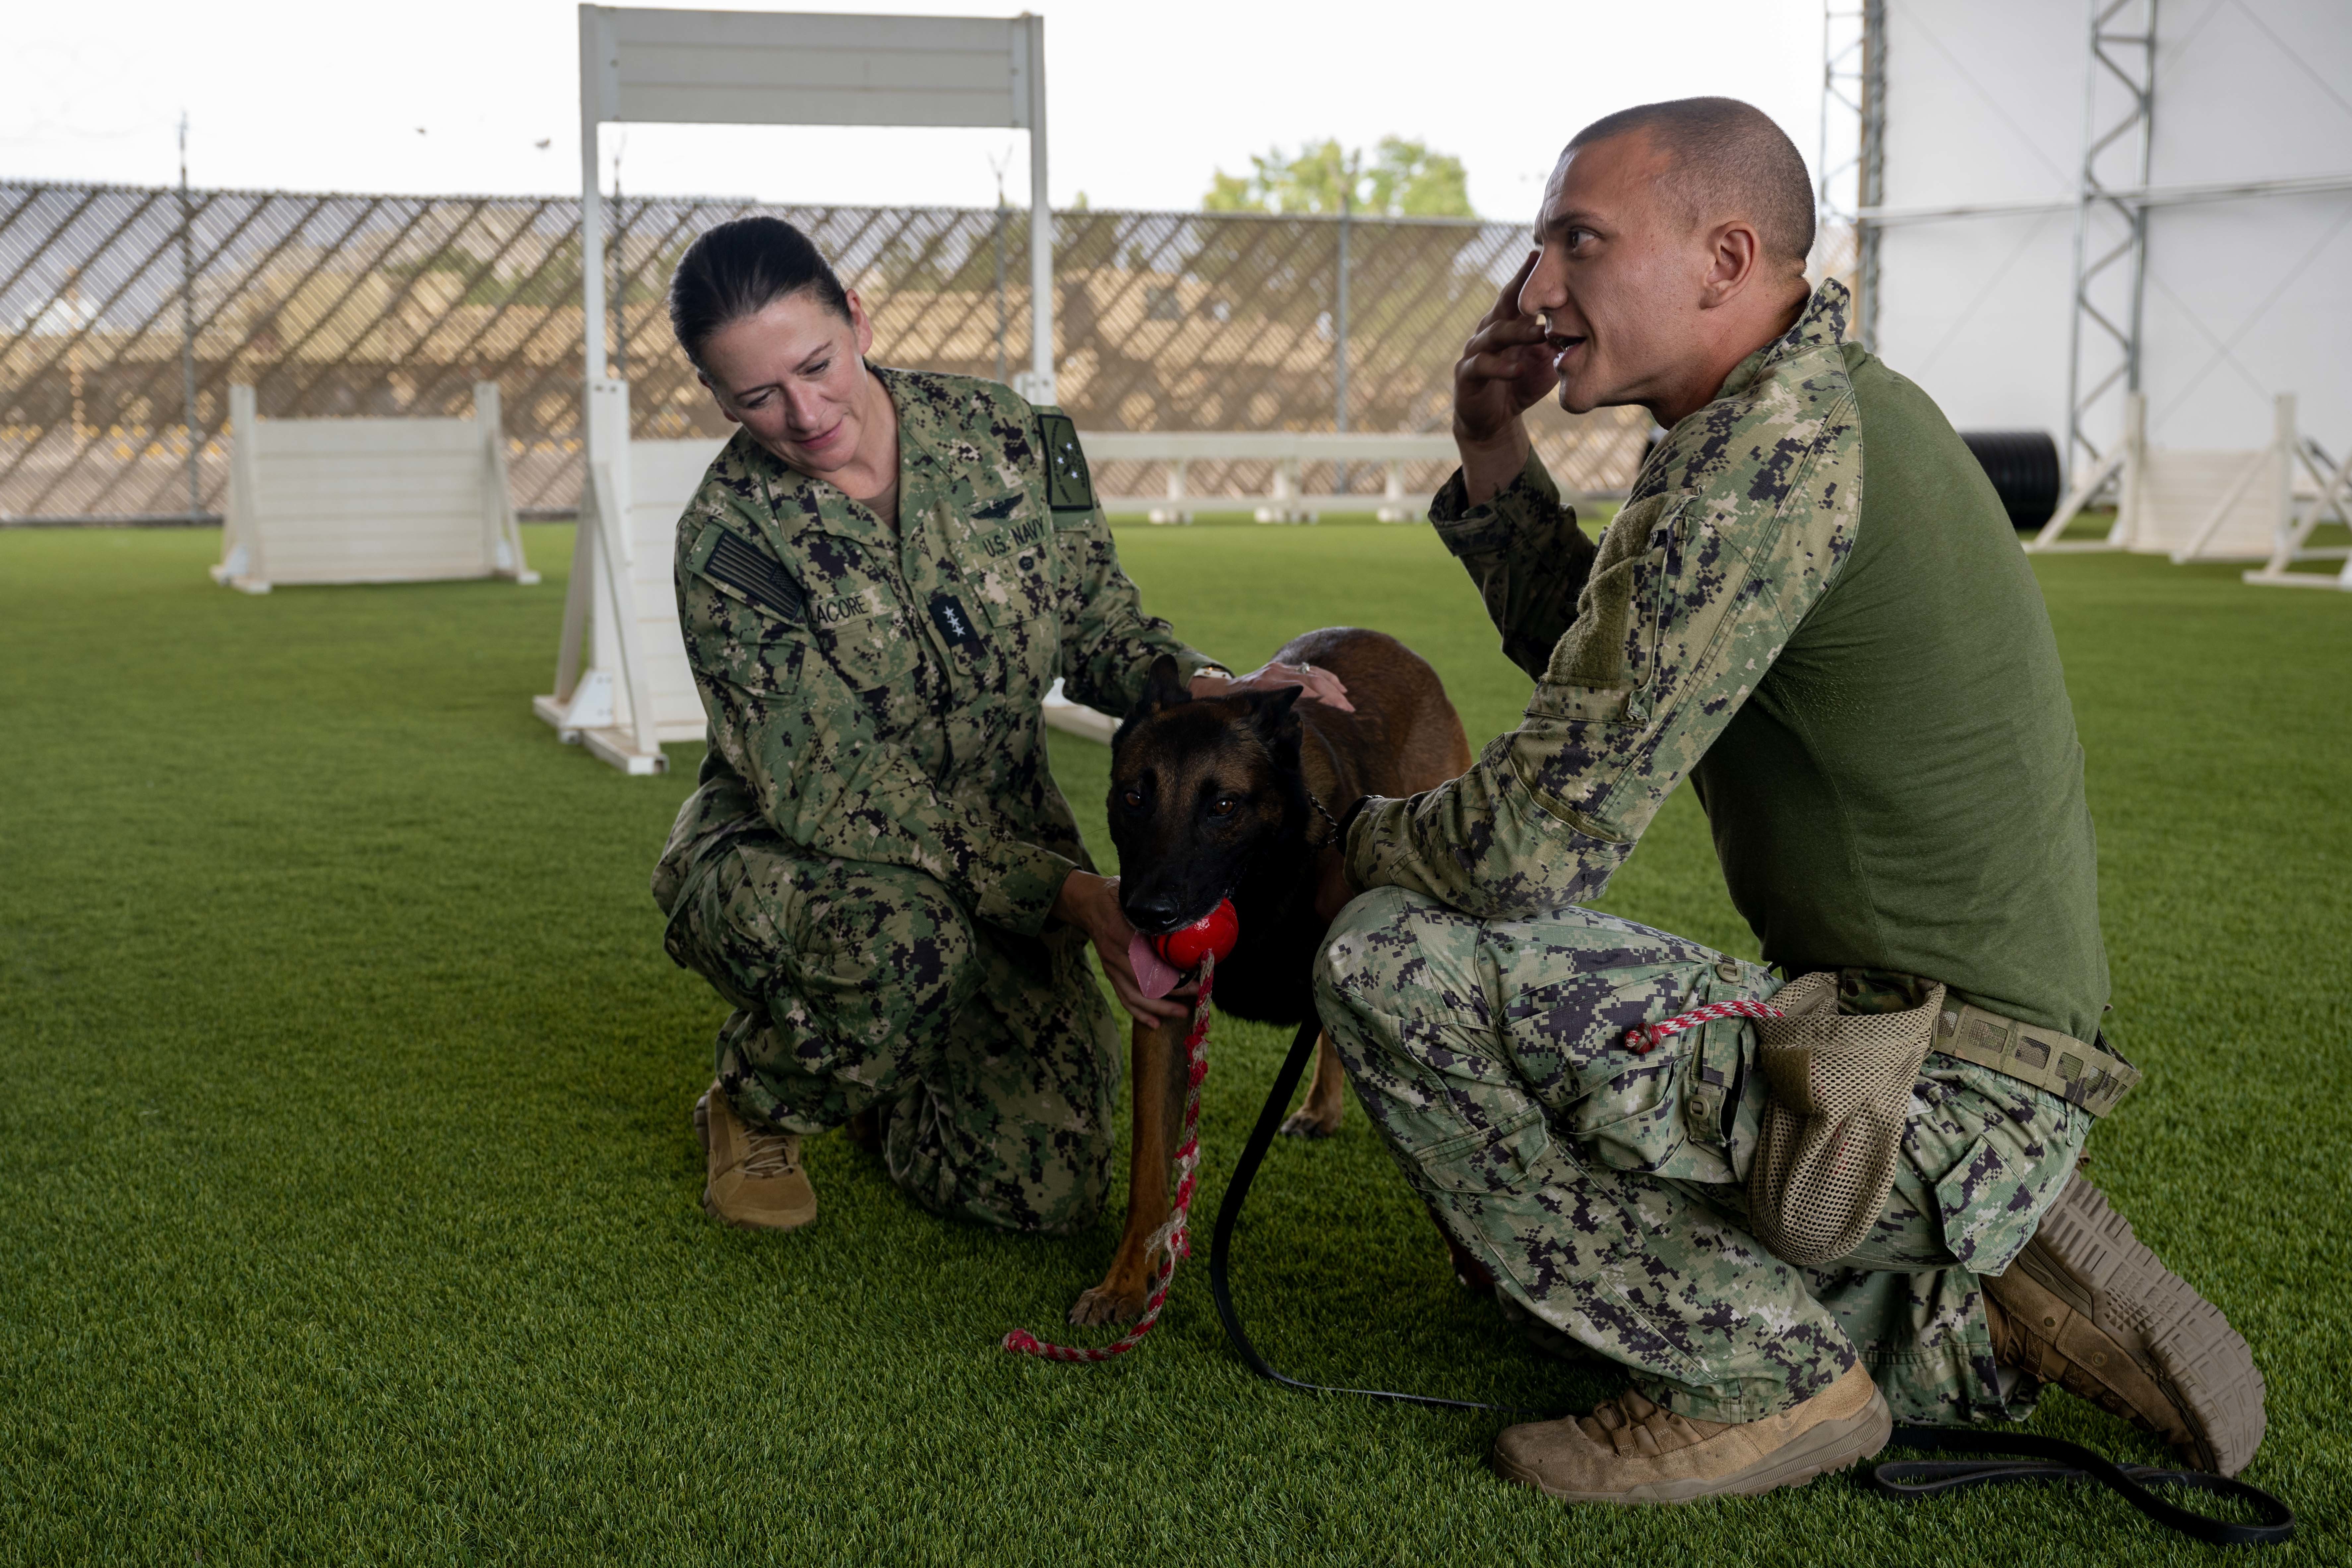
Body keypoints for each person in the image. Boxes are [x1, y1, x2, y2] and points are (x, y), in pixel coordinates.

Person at [1310, 99, 2265, 1503]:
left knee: (1387, 956)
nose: (1533, 290)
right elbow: (1615, 650)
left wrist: (1349, 836)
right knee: (1556, 1190)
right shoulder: (1789, 418)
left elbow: (1527, 849)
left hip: (1930, 1068)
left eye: (1579, 240)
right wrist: (1493, 451)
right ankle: (1970, 1305)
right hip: (1921, 1035)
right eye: (1538, 247)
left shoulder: (1768, 460)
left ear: (1724, 256)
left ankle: (1766, 1373)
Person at [650, 216, 1345, 1236]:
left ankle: (891, 1059)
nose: (804, 413)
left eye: (818, 364)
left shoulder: (1010, 438)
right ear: (717, 396)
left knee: (1039, 1190)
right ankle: (759, 1097)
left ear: (859, 319)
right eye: (758, 396)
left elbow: (1100, 621)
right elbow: (834, 788)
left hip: (1000, 825)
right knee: (904, 944)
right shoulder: (729, 541)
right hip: (801, 851)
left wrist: (1206, 686)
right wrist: (1062, 892)